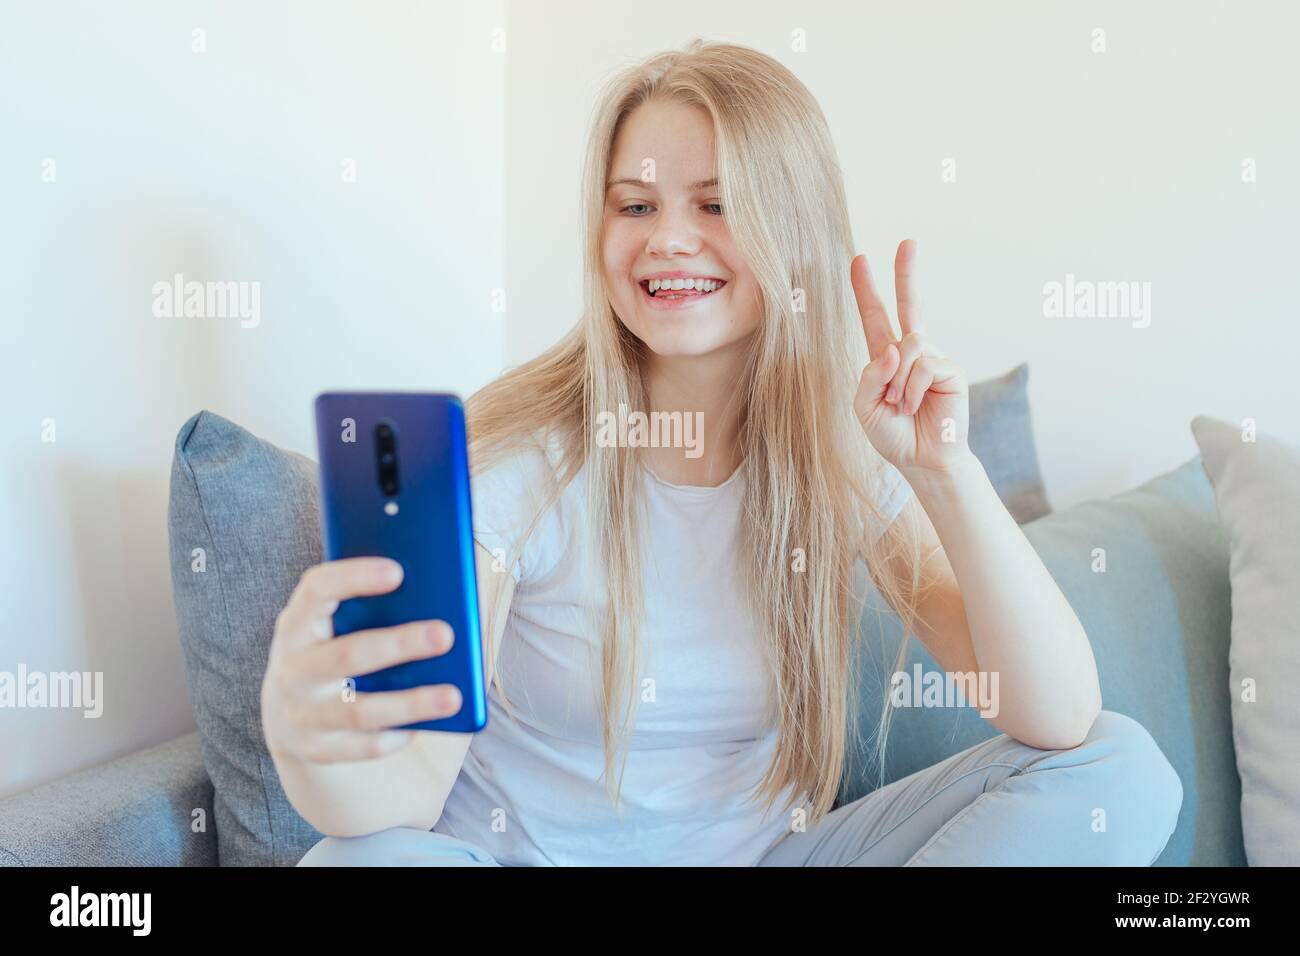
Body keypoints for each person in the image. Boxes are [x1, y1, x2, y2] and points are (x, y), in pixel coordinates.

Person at [266, 39, 1182, 866]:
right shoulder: (520, 461)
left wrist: (947, 473)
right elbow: (403, 801)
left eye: (717, 203)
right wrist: (306, 740)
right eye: (636, 205)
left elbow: (1058, 715)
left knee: (1121, 769)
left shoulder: (837, 448)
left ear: (794, 232)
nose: (668, 238)